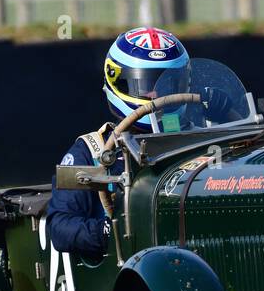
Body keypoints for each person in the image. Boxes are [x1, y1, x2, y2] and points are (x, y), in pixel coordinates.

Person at [47, 27, 190, 260]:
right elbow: (60, 226)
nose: (157, 95)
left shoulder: (198, 136)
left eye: (168, 84)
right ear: (120, 82)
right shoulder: (90, 151)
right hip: (122, 266)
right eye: (147, 84)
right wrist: (111, 229)